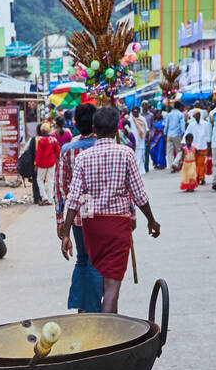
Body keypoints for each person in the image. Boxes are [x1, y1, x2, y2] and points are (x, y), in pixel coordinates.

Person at [60, 105, 161, 314]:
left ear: (95, 129)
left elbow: (73, 198)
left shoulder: (83, 158)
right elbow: (139, 194)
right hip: (117, 223)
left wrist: (66, 232)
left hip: (91, 225)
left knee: (99, 273)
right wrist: (151, 220)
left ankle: (102, 325)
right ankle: (108, 335)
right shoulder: (126, 153)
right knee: (112, 286)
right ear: (116, 130)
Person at [54, 101, 103, 313]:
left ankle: (80, 305)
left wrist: (60, 220)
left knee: (82, 259)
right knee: (94, 261)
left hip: (76, 214)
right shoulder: (104, 146)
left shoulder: (68, 149)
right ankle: (92, 308)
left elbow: (60, 187)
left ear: (75, 124)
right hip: (100, 213)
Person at [35, 121, 61, 204]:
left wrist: (36, 164)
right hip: (51, 163)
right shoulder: (54, 140)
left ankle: (44, 197)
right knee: (51, 180)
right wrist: (57, 161)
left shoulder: (41, 140)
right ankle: (50, 199)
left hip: (42, 163)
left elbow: (38, 154)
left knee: (39, 180)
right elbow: (57, 152)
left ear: (42, 131)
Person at [186, 106, 211, 186]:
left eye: (199, 115)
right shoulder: (191, 125)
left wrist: (209, 145)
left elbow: (208, 135)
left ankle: (202, 177)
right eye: (196, 115)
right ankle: (196, 177)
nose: (198, 116)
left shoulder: (205, 124)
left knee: (202, 163)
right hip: (194, 148)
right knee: (194, 163)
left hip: (203, 146)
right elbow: (187, 135)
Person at [18, 132, 42, 203]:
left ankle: (36, 198)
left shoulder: (33, 139)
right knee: (42, 180)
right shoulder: (50, 139)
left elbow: (26, 149)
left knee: (35, 180)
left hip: (34, 162)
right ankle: (43, 197)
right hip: (46, 163)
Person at [164, 102, 185, 171]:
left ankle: (171, 167)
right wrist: (183, 133)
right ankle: (175, 163)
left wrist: (165, 133)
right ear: (179, 107)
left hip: (169, 134)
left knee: (170, 151)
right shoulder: (180, 114)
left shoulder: (169, 114)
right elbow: (182, 126)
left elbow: (166, 125)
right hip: (176, 134)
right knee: (180, 150)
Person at [128, 105, 147, 171]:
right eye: (134, 112)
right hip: (134, 140)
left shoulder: (143, 119)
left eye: (136, 112)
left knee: (141, 156)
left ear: (139, 112)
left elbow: (146, 129)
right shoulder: (130, 119)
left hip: (141, 140)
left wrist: (147, 139)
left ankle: (141, 170)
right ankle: (136, 170)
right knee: (135, 155)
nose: (135, 113)